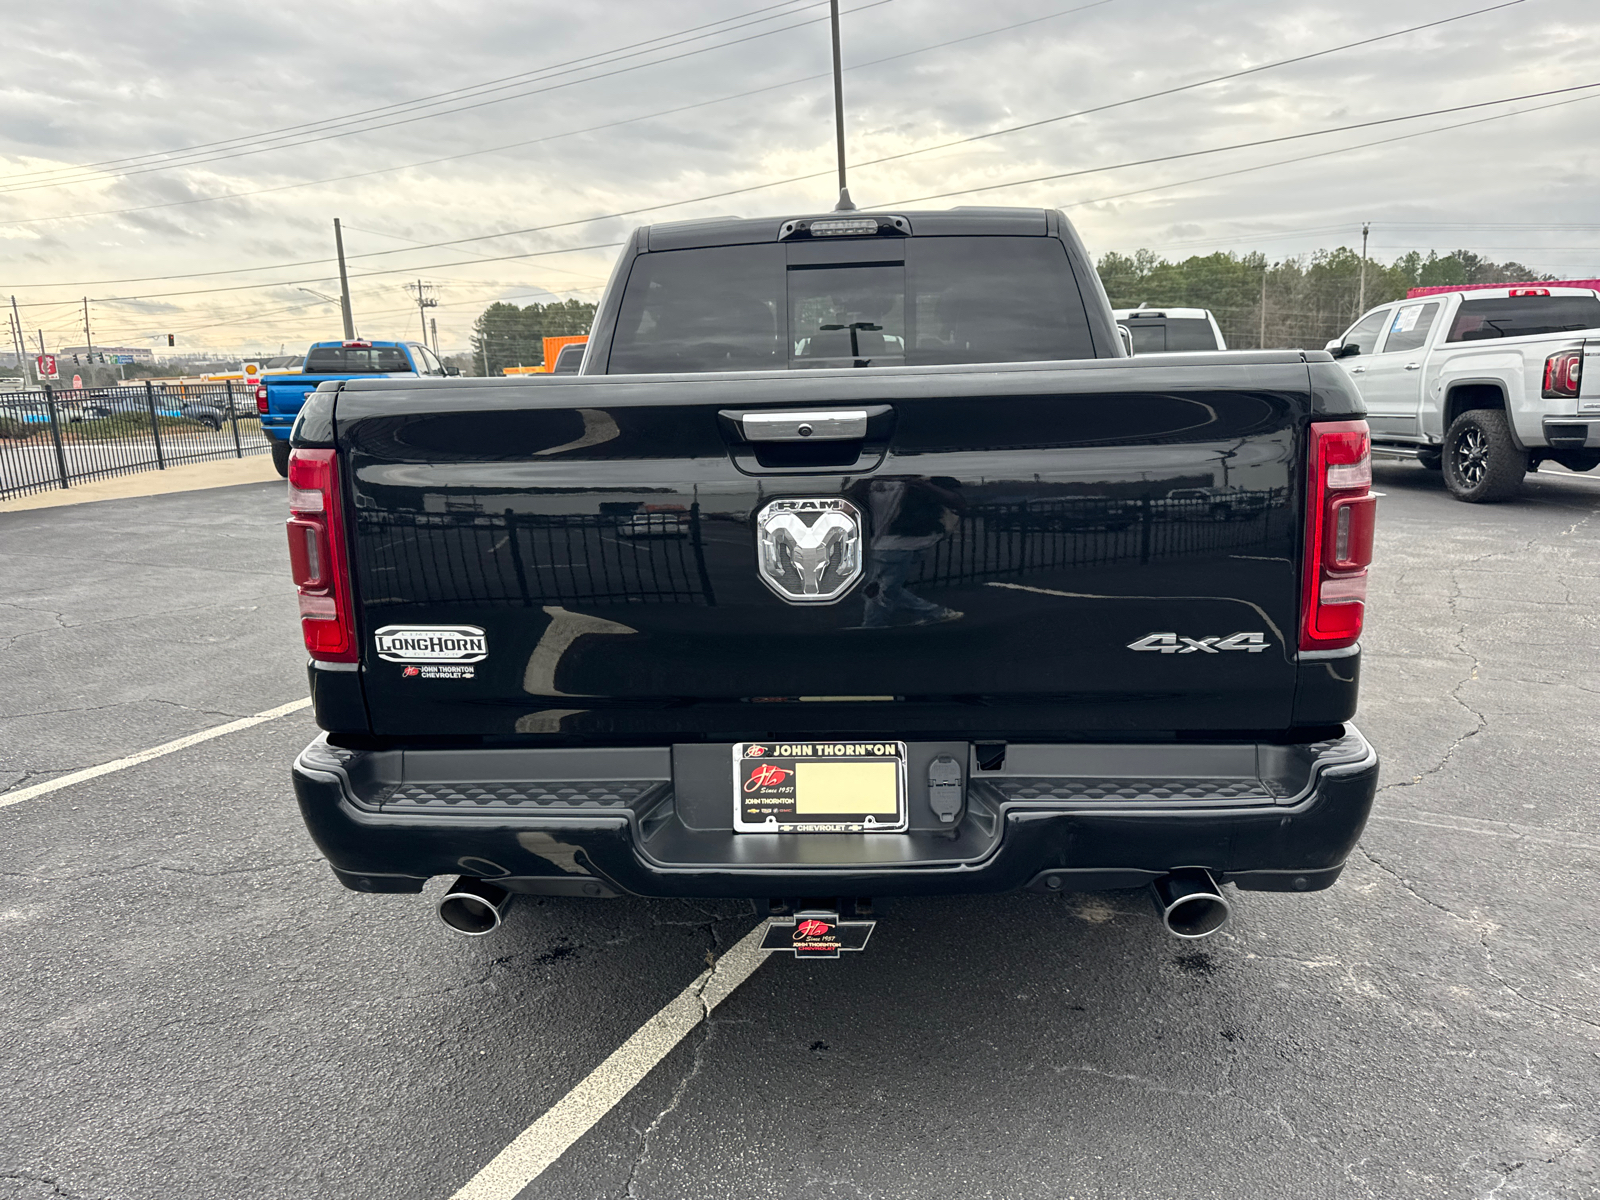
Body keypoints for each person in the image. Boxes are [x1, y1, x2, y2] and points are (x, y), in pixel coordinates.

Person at [850, 475, 964, 628]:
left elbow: (956, 501)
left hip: (896, 542)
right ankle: (935, 613)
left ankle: (874, 624)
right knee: (882, 588)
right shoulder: (910, 482)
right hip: (899, 541)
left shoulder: (876, 483)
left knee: (879, 589)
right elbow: (956, 502)